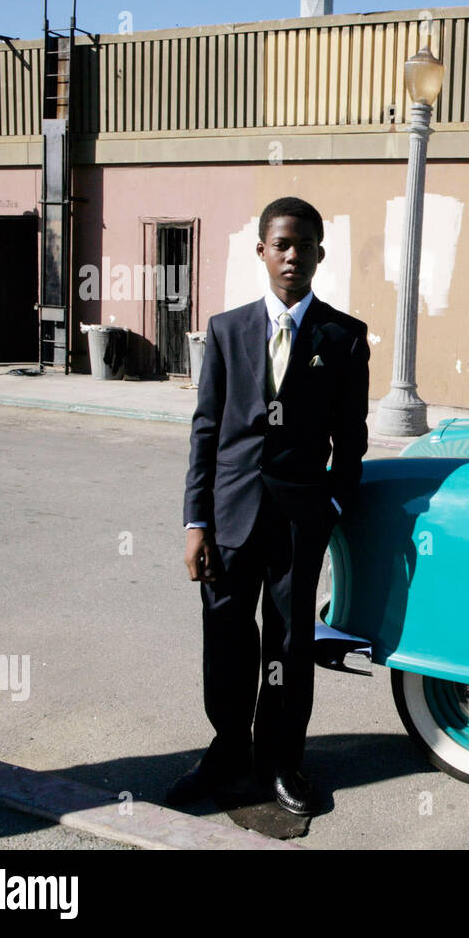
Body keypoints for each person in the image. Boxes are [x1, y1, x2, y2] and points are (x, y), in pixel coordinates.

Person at [170, 197, 369, 817]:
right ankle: (228, 748)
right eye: (280, 244)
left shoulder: (343, 336)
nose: (292, 255)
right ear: (262, 251)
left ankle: (282, 759)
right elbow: (206, 431)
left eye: (303, 245)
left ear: (319, 254)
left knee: (288, 641)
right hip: (229, 517)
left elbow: (352, 439)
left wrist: (331, 503)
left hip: (297, 522)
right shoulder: (227, 331)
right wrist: (196, 521)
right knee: (226, 636)